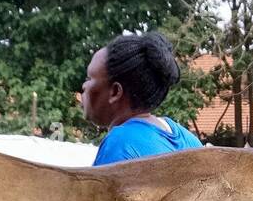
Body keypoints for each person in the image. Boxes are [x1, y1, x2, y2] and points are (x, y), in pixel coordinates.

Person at [81, 32, 202, 165]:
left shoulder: (120, 144)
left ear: (115, 92)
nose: (84, 86)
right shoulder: (191, 142)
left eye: (89, 78)